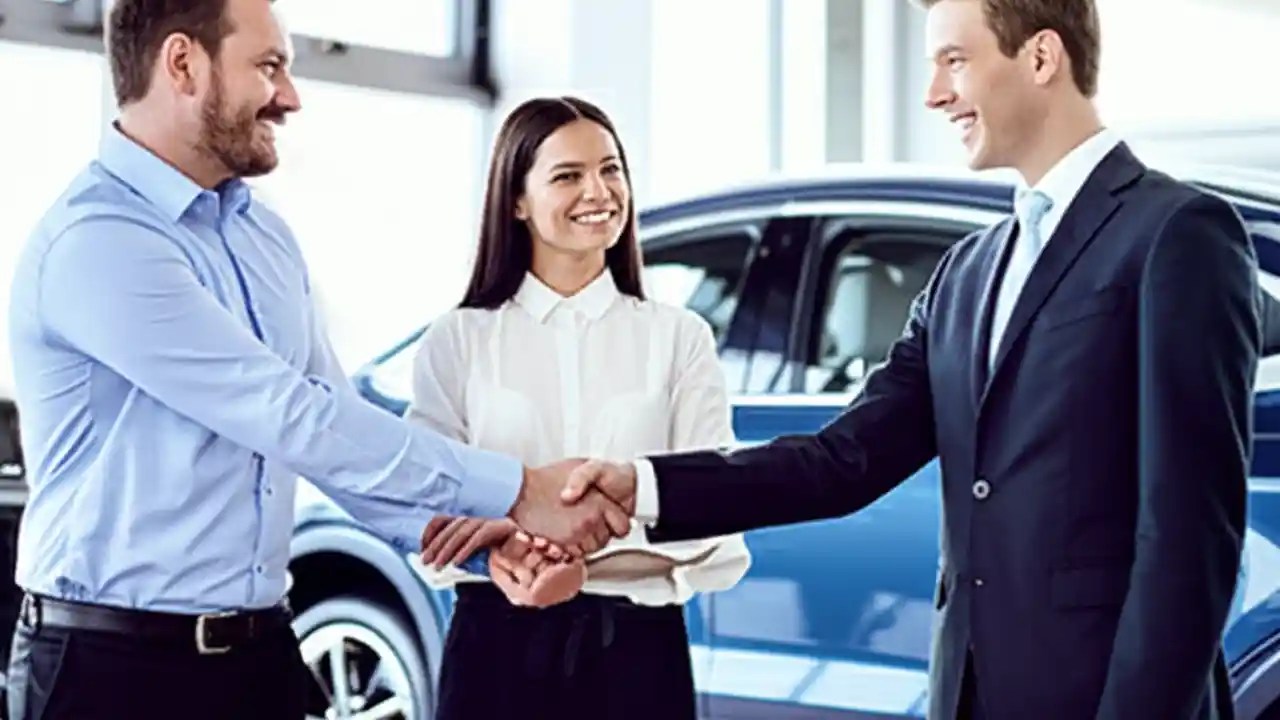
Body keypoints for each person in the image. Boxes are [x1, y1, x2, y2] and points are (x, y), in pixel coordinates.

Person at [561, 1, 1261, 718]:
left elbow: (1189, 539)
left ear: (1042, 57)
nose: (934, 94)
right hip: (970, 692)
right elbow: (842, 460)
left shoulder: (1177, 234)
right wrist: (644, 488)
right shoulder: (966, 272)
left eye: (954, 61)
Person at [4, 2, 626, 719]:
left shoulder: (263, 238)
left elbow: (336, 424)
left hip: (261, 656)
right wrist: (518, 488)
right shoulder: (99, 242)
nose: (291, 97)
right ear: (182, 64)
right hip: (110, 674)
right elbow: (287, 416)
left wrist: (471, 543)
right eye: (269, 67)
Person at [407, 96, 751, 720]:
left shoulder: (679, 337)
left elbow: (715, 509)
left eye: (611, 169)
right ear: (516, 199)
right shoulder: (457, 339)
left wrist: (581, 558)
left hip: (637, 652)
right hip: (495, 648)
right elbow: (427, 509)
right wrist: (514, 556)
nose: (599, 191)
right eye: (568, 175)